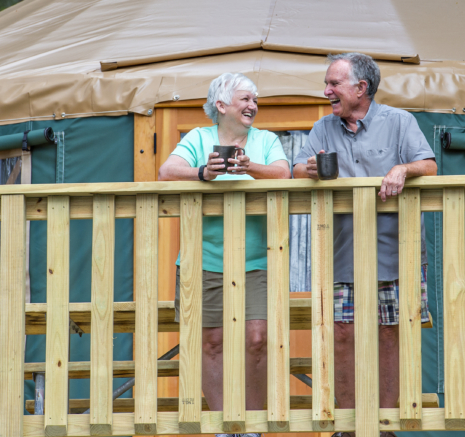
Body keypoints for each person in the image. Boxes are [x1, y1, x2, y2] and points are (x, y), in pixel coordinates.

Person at [293, 53, 436, 435]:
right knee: (342, 334)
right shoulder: (323, 127)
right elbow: (297, 168)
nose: (327, 91)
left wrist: (403, 168)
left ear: (361, 88)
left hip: (395, 252)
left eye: (334, 84)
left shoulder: (400, 121)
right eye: (327, 84)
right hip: (341, 252)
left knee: (389, 335)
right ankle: (350, 425)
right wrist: (306, 168)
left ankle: (385, 426)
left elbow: (429, 164)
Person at [158, 72, 290, 437]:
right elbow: (166, 171)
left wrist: (251, 167)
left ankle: (250, 427)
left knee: (257, 338)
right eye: (246, 99)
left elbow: (282, 174)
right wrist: (203, 172)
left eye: (255, 100)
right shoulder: (198, 138)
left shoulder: (264, 140)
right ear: (221, 105)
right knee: (211, 342)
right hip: (204, 260)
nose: (253, 106)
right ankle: (223, 427)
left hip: (258, 259)